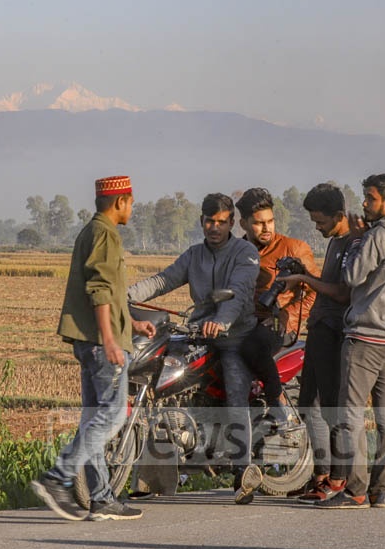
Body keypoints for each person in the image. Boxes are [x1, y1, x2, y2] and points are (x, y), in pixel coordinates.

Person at [31, 175, 156, 522]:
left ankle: (100, 498)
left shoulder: (91, 231)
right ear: (120, 202)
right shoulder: (105, 234)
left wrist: (131, 323)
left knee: (92, 419)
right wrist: (112, 339)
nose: (133, 208)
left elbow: (110, 293)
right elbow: (99, 289)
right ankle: (58, 477)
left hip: (91, 342)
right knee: (112, 416)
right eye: (131, 202)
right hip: (102, 345)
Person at [127, 193, 263, 505]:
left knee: (235, 390)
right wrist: (126, 296)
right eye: (209, 221)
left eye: (221, 221)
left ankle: (243, 472)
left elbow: (240, 292)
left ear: (231, 222)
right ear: (201, 221)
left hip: (235, 336)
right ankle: (152, 477)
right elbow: (163, 280)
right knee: (158, 382)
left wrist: (223, 322)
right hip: (197, 331)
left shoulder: (245, 252)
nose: (214, 227)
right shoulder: (194, 255)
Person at [315, 173, 385, 509]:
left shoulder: (376, 237)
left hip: (366, 336)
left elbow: (351, 276)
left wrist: (358, 240)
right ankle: (380, 488)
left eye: (370, 198)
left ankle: (355, 489)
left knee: (351, 414)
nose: (363, 204)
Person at [275, 183, 352, 501]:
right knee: (309, 405)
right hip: (319, 329)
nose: (317, 227)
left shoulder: (351, 245)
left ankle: (338, 476)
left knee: (332, 407)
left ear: (339, 215)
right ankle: (321, 473)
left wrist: (305, 279)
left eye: (321, 221)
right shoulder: (336, 241)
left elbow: (341, 292)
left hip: (335, 332)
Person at [235, 188, 317, 427]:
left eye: (270, 221)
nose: (267, 228)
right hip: (241, 323)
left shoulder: (294, 248)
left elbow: (315, 290)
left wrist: (286, 314)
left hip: (277, 326)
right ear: (243, 223)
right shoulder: (234, 251)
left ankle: (275, 400)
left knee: (253, 344)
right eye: (259, 223)